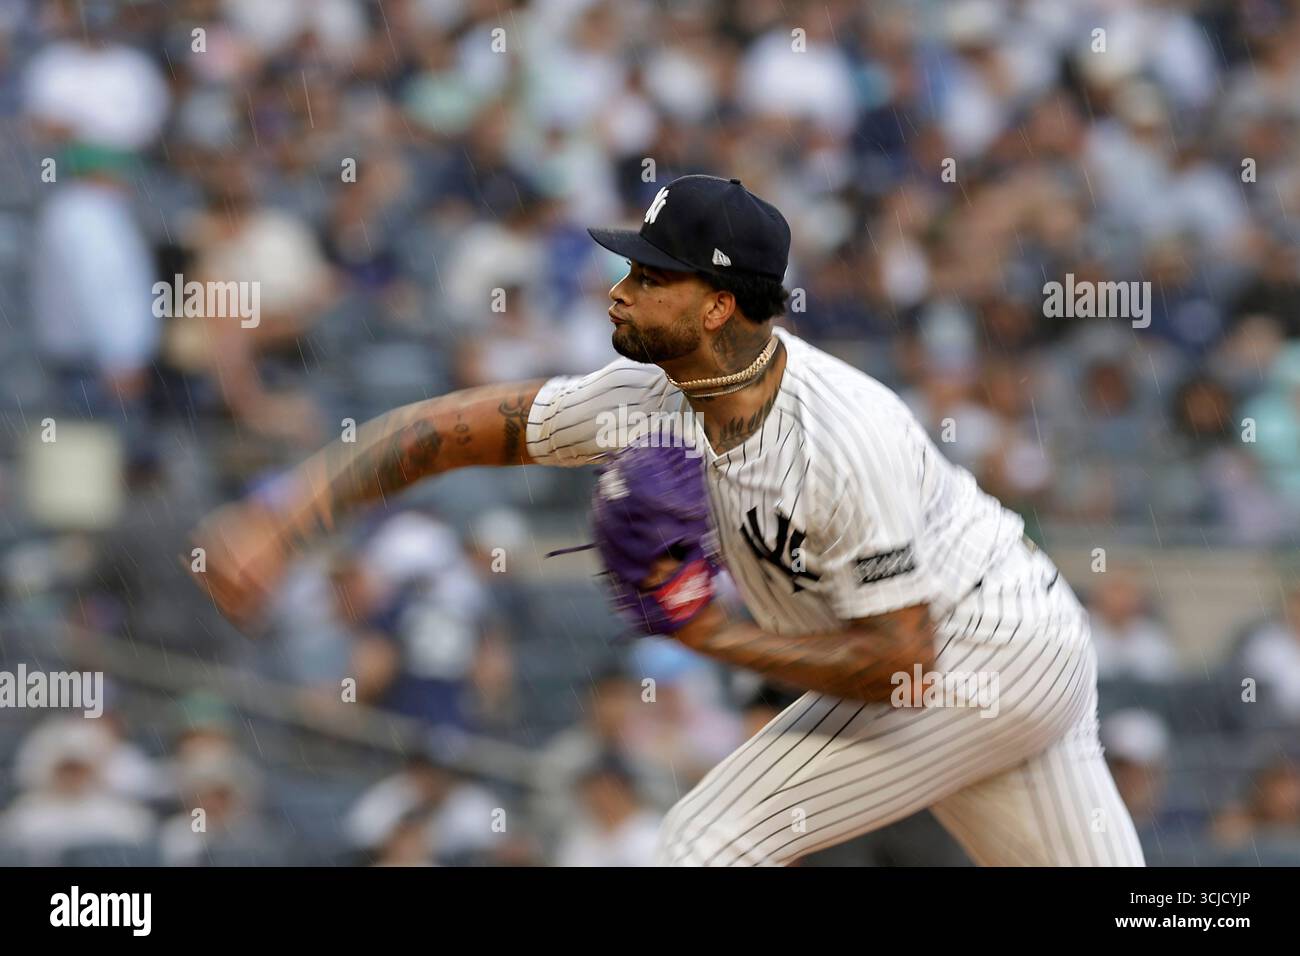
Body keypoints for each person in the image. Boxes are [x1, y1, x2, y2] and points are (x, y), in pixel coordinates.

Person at [191, 174, 1142, 866]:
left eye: (651, 276)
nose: (621, 288)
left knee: (702, 844)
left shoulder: (846, 437)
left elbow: (904, 663)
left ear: (720, 303)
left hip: (975, 651)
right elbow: (461, 429)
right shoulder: (648, 395)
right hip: (1016, 649)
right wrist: (285, 513)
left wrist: (703, 630)